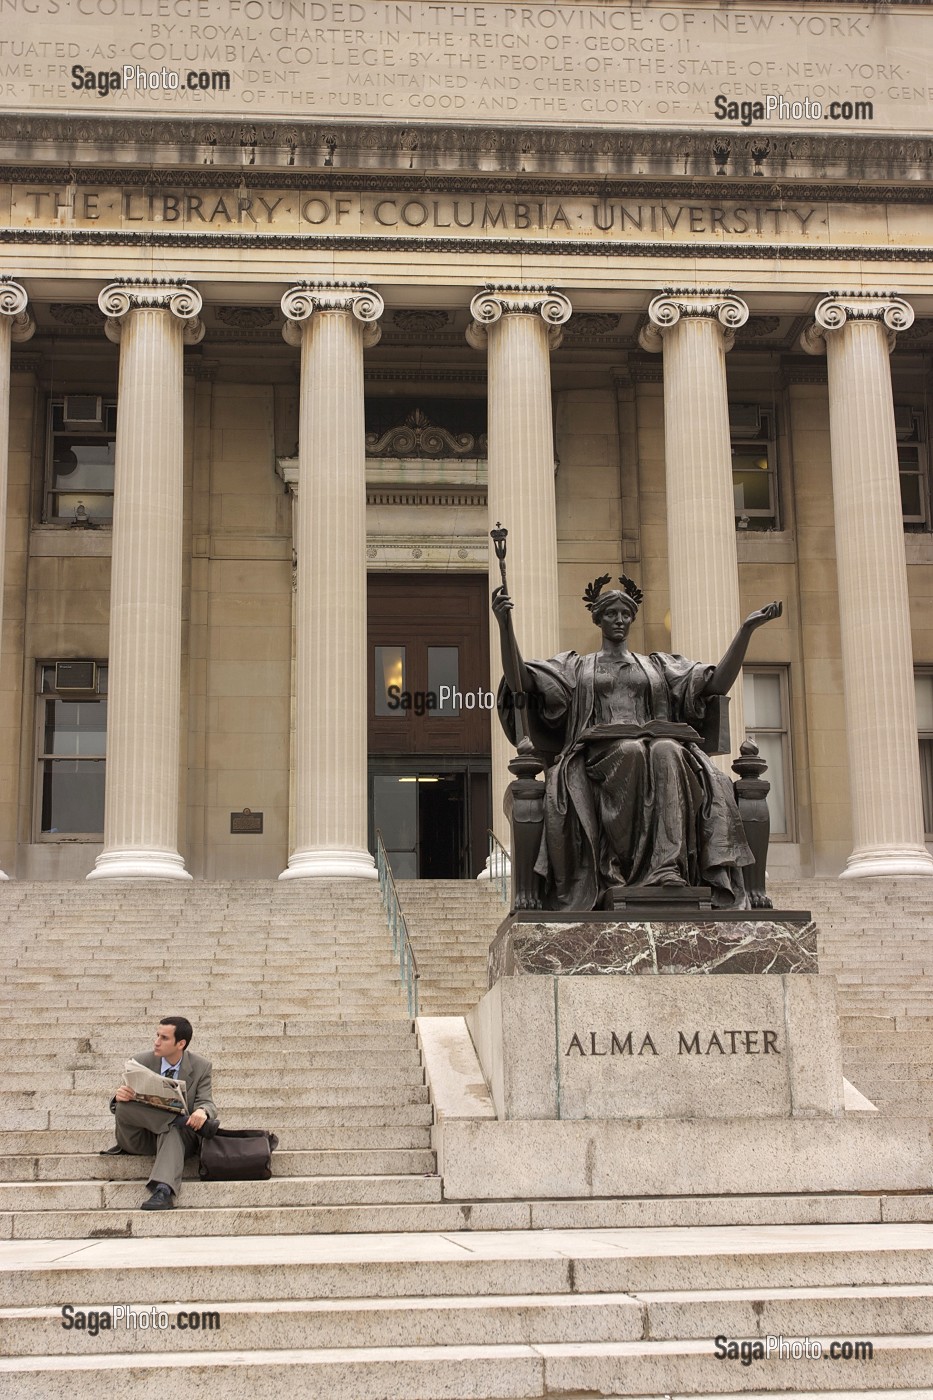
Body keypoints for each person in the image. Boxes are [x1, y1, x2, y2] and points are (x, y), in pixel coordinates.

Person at [493, 573, 782, 911]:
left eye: (626, 614)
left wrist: (745, 631)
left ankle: (667, 867)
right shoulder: (576, 666)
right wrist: (504, 626)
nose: (620, 620)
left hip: (653, 744)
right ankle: (616, 868)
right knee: (630, 752)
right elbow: (521, 681)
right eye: (612, 613)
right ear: (597, 618)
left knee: (668, 750)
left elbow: (715, 683)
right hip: (596, 754)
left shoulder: (657, 666)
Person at [100, 1016, 217, 1211]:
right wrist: (119, 1096)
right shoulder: (140, 1061)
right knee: (123, 1107)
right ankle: (179, 1120)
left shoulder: (201, 1066)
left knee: (171, 1130)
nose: (156, 1042)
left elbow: (206, 1100)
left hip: (176, 1139)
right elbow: (124, 1107)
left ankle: (163, 1190)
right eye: (157, 1035)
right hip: (139, 1137)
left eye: (164, 1038)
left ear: (181, 1043)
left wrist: (203, 1111)